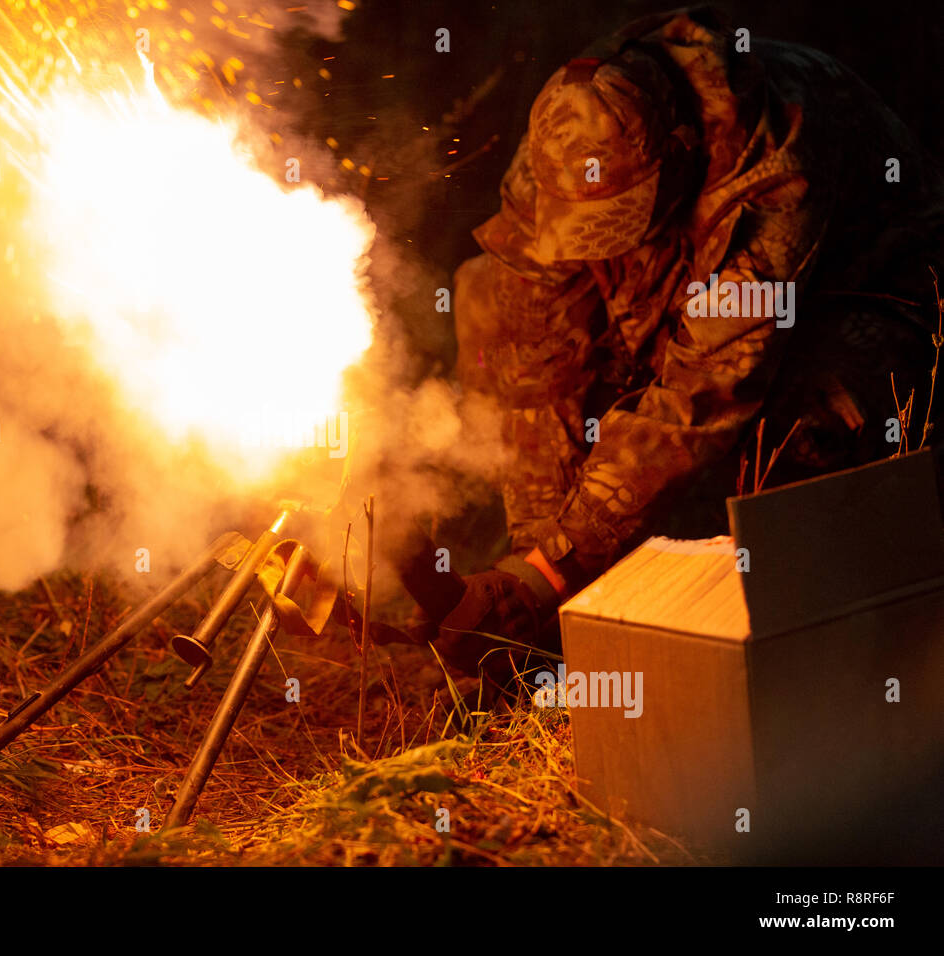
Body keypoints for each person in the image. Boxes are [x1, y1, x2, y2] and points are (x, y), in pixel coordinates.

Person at [401, 5, 944, 684]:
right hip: (686, 278)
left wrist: (557, 565)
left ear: (679, 149)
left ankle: (804, 630)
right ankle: (569, 617)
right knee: (486, 294)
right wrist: (535, 572)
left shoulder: (779, 159)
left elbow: (705, 392)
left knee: (805, 418)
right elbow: (540, 366)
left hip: (862, 302)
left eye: (618, 222)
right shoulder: (561, 152)